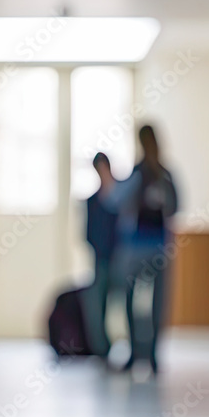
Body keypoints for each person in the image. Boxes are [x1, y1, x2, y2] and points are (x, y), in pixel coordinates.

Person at [105, 125, 179, 374]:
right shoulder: (165, 176)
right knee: (158, 302)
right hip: (160, 247)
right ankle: (153, 355)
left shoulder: (138, 174)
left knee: (129, 298)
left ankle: (136, 353)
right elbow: (176, 208)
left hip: (135, 248)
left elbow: (114, 200)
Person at [82, 152, 120, 358]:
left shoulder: (122, 198)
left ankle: (137, 348)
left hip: (123, 259)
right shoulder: (92, 201)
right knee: (96, 301)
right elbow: (88, 234)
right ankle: (101, 348)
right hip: (101, 260)